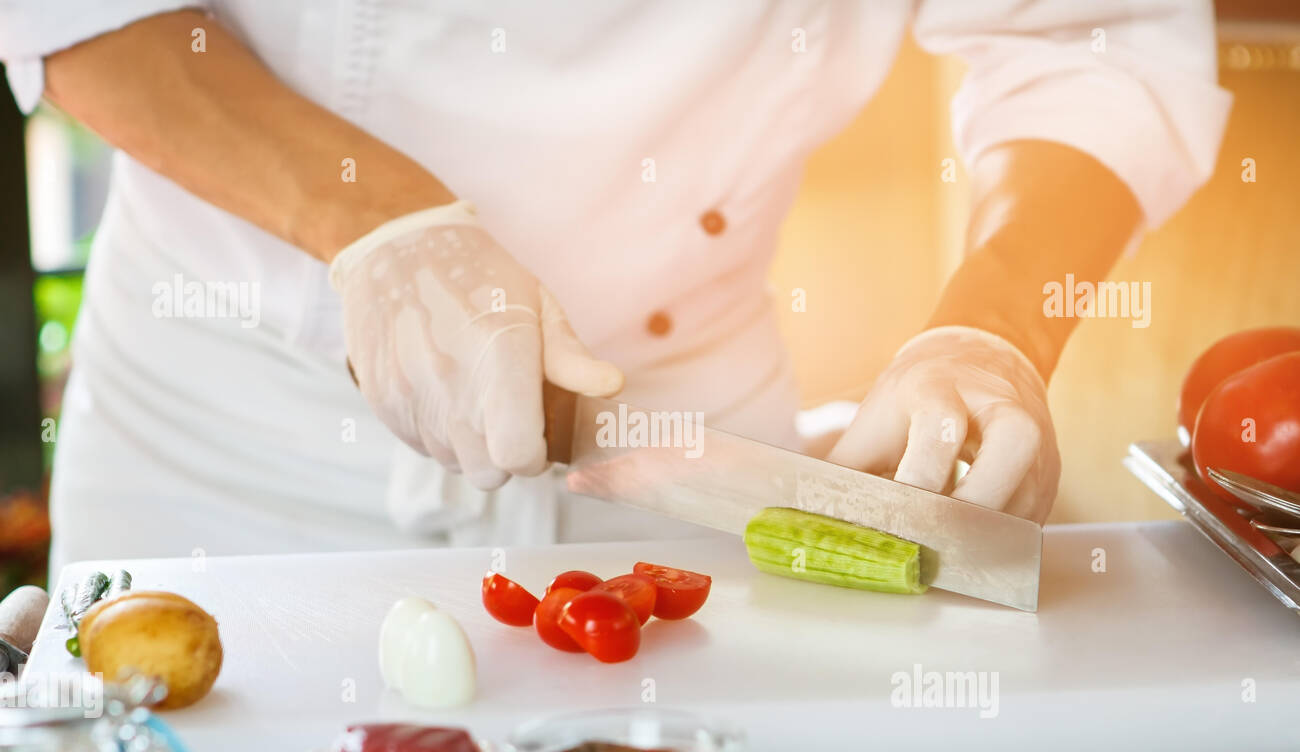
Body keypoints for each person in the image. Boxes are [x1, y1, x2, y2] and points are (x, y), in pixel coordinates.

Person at [0, 2, 1229, 582]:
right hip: (240, 434)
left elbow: (1087, 36)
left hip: (688, 449)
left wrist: (990, 327)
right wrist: (376, 225)